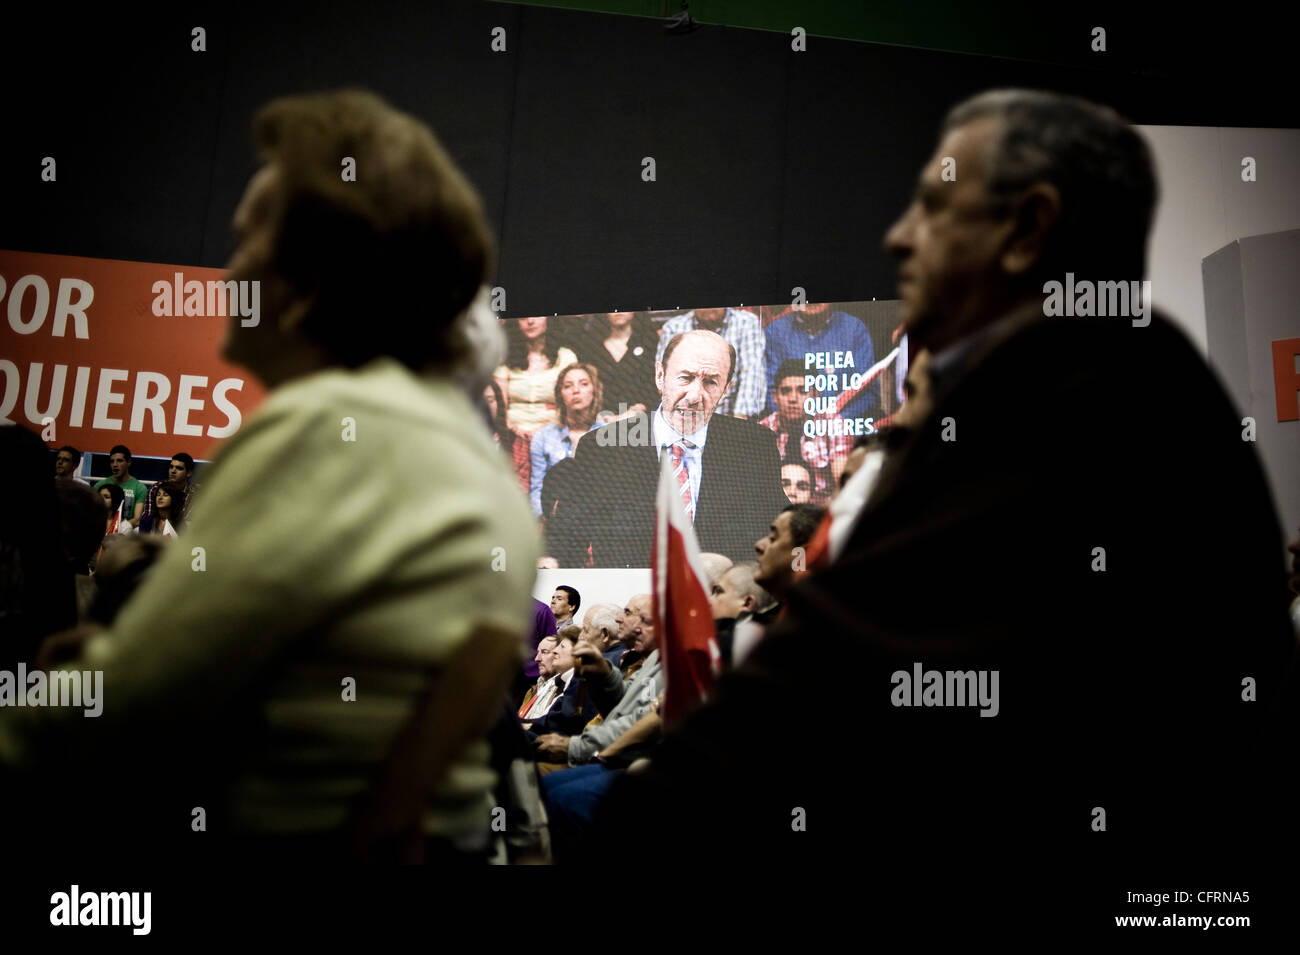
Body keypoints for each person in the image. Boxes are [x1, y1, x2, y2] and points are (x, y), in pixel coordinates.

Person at [597, 89, 1295, 885]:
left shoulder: (1056, 395)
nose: (898, 237)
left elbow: (831, 674)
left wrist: (637, 820)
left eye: (932, 207)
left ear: (1029, 226)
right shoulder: (1125, 366)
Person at [0, 89, 541, 862]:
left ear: (311, 282)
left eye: (250, 240)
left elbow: (127, 709)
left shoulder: (326, 425)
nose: (231, 268)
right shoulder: (476, 465)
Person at [556, 329, 788, 566]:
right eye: (685, 378)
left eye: (710, 382)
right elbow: (565, 540)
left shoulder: (755, 446)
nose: (695, 395)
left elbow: (783, 535)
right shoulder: (602, 448)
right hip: (628, 597)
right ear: (660, 376)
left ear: (726, 389)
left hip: (720, 597)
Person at [763, 302, 879, 421]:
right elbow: (770, 392)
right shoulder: (775, 333)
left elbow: (868, 392)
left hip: (845, 427)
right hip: (792, 429)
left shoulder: (854, 329)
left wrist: (836, 422)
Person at [655, 307, 766, 418]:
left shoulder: (746, 323)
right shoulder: (674, 327)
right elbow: (665, 379)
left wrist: (740, 418)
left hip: (729, 418)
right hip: (683, 413)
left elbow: (752, 373)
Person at [529, 363, 603, 516]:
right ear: (560, 395)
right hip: (556, 522)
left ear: (594, 391)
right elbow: (537, 490)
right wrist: (545, 518)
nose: (576, 391)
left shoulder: (608, 434)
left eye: (583, 384)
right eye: (568, 386)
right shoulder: (543, 437)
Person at [493, 317, 578, 438]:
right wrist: (514, 429)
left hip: (554, 432)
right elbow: (500, 408)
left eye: (536, 315)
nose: (530, 322)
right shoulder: (504, 358)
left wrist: (543, 431)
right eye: (523, 317)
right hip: (511, 433)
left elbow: (569, 407)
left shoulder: (566, 357)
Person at [575, 312, 659, 417]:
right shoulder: (591, 346)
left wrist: (639, 409)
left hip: (643, 416)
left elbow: (653, 385)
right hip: (601, 418)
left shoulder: (649, 342)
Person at [483, 379, 530, 494]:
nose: (485, 406)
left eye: (490, 400)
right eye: (480, 401)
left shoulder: (517, 443)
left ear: (499, 403)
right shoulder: (458, 441)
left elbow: (522, 488)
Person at [92, 445, 148, 527]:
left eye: (119, 461)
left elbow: (137, 519)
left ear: (128, 462)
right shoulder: (100, 485)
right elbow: (91, 511)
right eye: (112, 461)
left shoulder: (139, 488)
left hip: (126, 531)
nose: (115, 464)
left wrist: (119, 528)